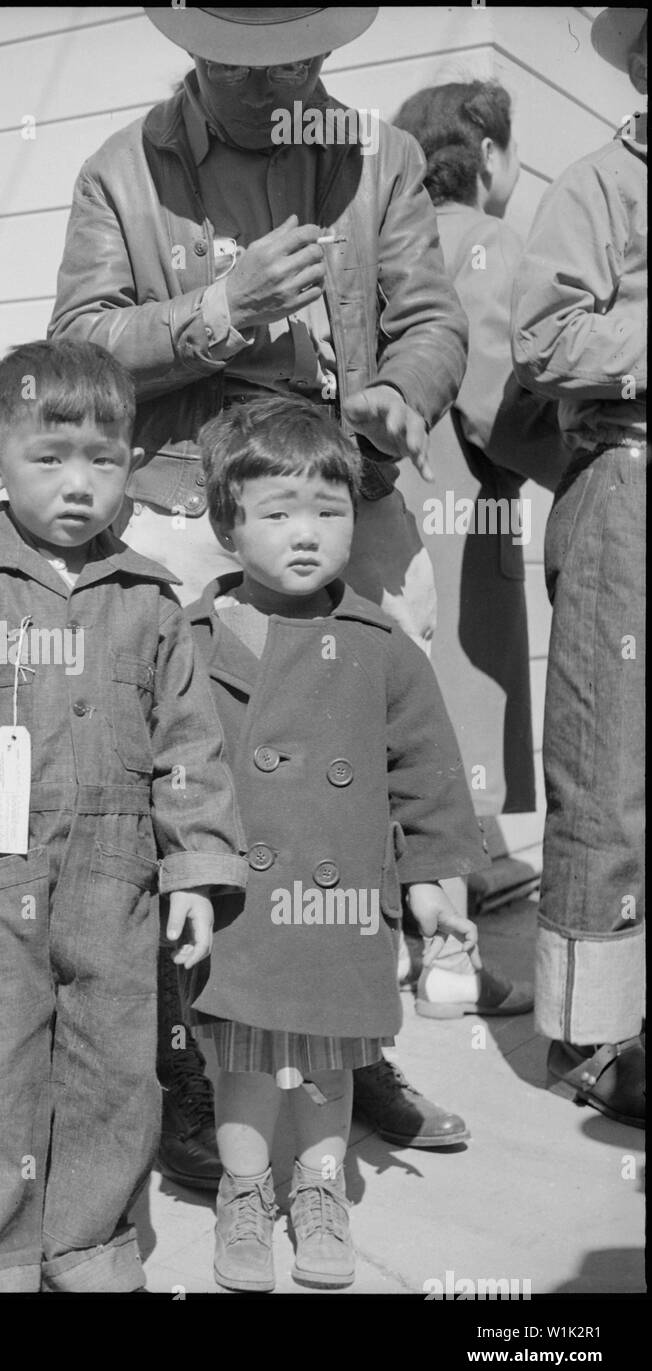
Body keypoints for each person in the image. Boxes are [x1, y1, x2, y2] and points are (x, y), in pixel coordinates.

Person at [48, 4, 474, 1177]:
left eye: (296, 61)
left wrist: (400, 391)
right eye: (248, 66)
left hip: (349, 518)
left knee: (361, 794)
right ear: (195, 51)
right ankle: (186, 1057)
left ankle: (349, 1045)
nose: (277, 82)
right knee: (192, 795)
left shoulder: (375, 155)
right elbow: (78, 346)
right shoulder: (118, 170)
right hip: (191, 519)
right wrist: (218, 310)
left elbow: (432, 317)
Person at [0, 340, 246, 1291]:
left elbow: (189, 747)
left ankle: (90, 1245)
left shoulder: (151, 603)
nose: (78, 484)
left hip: (116, 884)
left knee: (115, 1072)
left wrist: (198, 870)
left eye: (105, 459)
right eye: (49, 458)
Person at [185, 396, 487, 1290]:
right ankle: (245, 1192)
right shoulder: (189, 638)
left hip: (342, 895)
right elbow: (170, 765)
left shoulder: (380, 642)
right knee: (239, 1058)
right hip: (240, 895)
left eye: (330, 510)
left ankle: (320, 1189)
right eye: (277, 514)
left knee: (325, 1062)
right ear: (228, 526)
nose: (307, 534)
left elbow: (428, 770)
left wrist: (431, 885)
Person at [392, 79, 570, 1017]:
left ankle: (391, 949)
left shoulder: (387, 244)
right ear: (490, 156)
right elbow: (500, 395)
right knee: (453, 741)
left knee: (391, 733)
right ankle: (451, 967)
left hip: (391, 519)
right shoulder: (487, 243)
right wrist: (583, 465)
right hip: (464, 528)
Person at [512, 8, 646, 1129]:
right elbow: (545, 340)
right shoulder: (601, 183)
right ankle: (595, 1036)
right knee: (609, 757)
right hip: (626, 476)